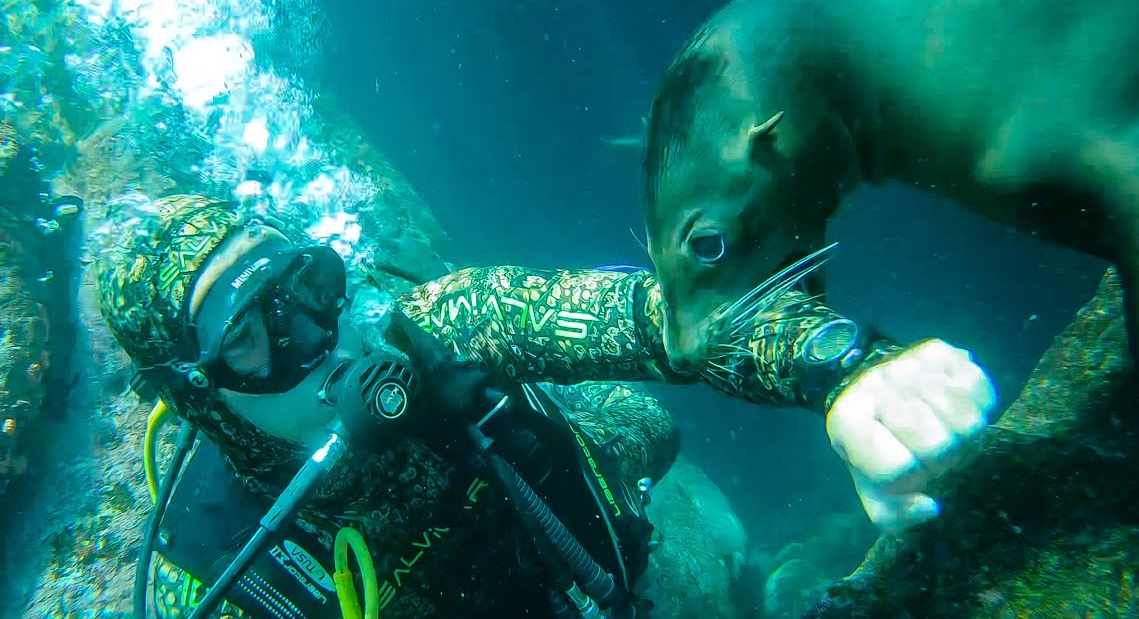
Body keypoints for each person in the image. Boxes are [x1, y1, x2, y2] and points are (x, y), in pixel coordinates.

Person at [96, 193, 995, 619]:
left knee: (652, 425)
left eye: (307, 288)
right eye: (251, 338)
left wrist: (834, 365)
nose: (315, 339)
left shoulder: (438, 327)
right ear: (198, 390)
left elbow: (652, 315)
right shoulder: (219, 562)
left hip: (593, 496)